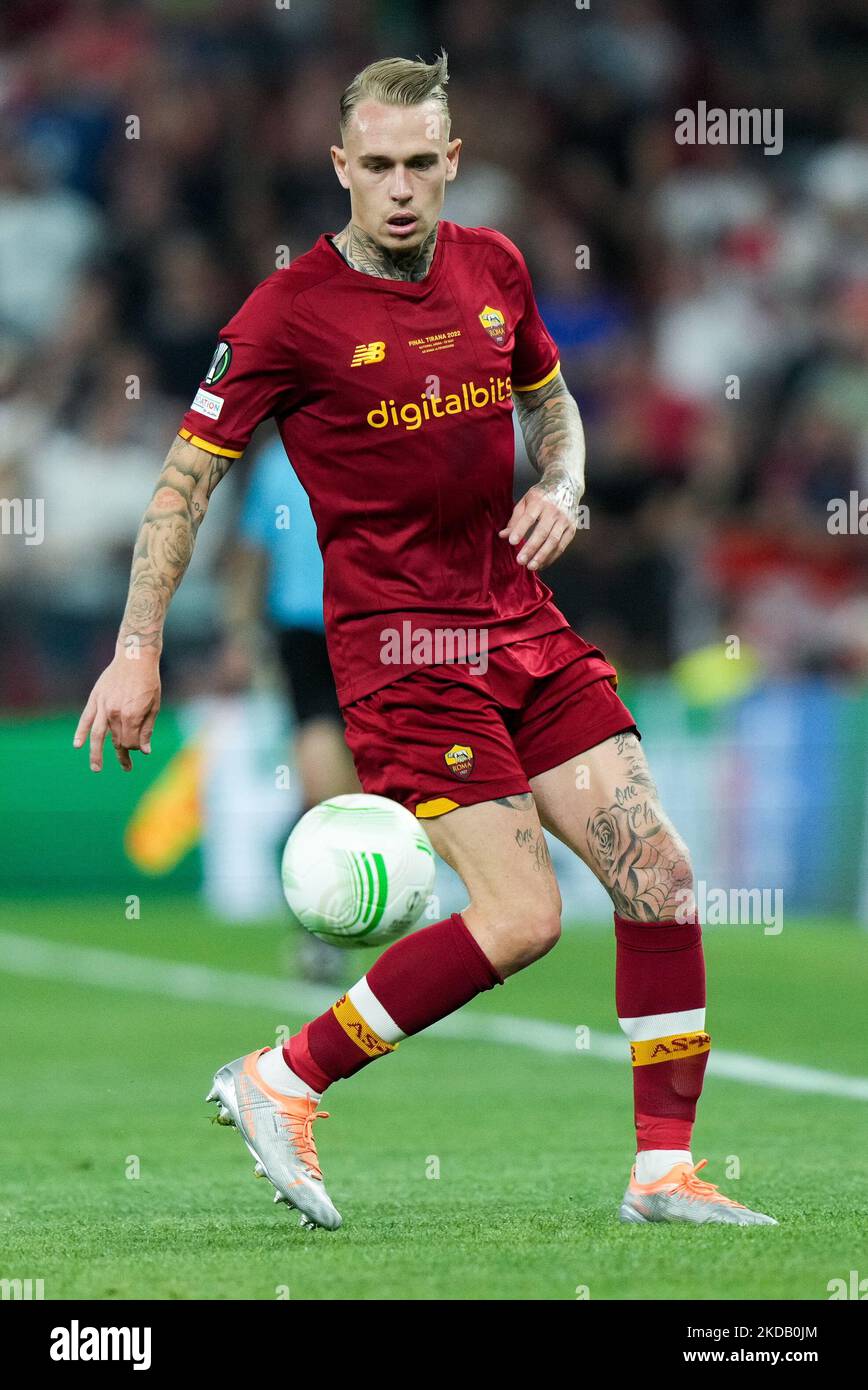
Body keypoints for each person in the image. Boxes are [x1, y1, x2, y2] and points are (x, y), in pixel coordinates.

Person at [75, 53, 775, 1231]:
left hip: (523, 622)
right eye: (378, 167)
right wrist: (139, 645)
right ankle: (283, 1076)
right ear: (341, 167)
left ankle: (663, 1173)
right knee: (523, 919)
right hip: (404, 653)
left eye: (422, 166)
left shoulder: (494, 266)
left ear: (451, 163)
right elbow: (185, 481)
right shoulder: (286, 313)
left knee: (659, 879)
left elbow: (552, 403)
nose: (401, 190)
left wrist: (565, 480)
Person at [223, 435, 358, 978]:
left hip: (375, 629)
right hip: (312, 634)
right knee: (327, 782)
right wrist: (238, 631)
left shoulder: (377, 437)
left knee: (359, 788)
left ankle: (336, 906)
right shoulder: (283, 461)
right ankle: (322, 925)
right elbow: (253, 553)